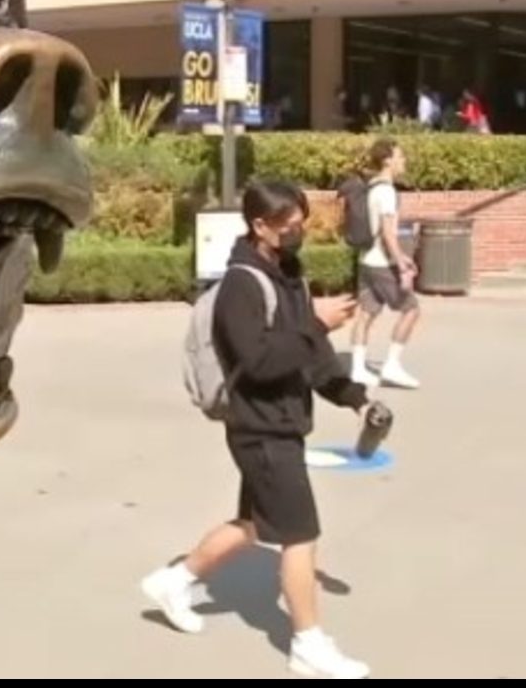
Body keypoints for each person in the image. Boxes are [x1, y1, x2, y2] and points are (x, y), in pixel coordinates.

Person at [140, 179, 373, 680]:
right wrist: (318, 325)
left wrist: (351, 395)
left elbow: (304, 356)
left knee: (254, 525)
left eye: (301, 222)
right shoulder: (242, 285)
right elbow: (261, 362)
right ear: (259, 226)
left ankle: (174, 582)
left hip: (282, 423)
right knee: (300, 536)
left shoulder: (289, 273)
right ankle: (308, 644)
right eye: (288, 225)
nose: (298, 232)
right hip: (260, 429)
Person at [348, 139, 422, 390]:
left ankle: (357, 369)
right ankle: (392, 365)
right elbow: (388, 233)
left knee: (366, 314)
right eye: (400, 157)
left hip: (366, 260)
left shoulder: (372, 188)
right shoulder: (387, 192)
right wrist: (401, 261)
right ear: (387, 160)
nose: (403, 162)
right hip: (382, 263)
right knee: (411, 310)